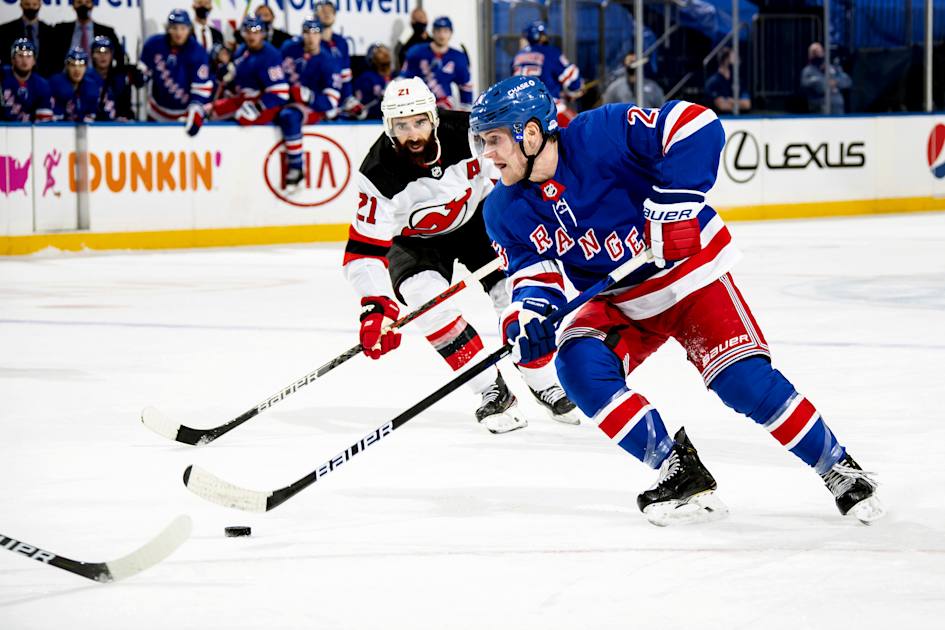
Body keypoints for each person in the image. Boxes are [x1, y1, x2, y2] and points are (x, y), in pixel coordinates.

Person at [469, 75, 884, 525]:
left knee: (742, 382)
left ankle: (838, 467)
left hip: (688, 279)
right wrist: (530, 319)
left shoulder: (601, 132)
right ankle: (679, 471)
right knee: (577, 365)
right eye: (482, 141)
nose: (487, 153)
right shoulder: (502, 209)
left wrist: (675, 204)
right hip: (620, 300)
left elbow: (696, 124)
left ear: (530, 133)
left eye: (494, 139)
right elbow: (533, 276)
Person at [342, 77, 580, 434]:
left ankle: (541, 378)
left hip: (479, 220)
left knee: (513, 291)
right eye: (402, 125)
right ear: (387, 126)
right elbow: (363, 249)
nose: (413, 134)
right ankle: (490, 390)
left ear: (434, 118)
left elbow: (511, 177)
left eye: (420, 122)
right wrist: (374, 307)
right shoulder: (377, 172)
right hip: (414, 242)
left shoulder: (469, 132)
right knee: (426, 303)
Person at [278, 17, 343, 187]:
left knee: (289, 116)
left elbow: (331, 102)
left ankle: (296, 167)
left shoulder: (329, 62)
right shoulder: (289, 49)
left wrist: (309, 97)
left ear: (321, 35)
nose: (310, 37)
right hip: (285, 98)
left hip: (311, 107)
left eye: (315, 33)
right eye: (307, 32)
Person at [137, 10, 212, 127]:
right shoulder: (153, 44)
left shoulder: (197, 52)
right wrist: (139, 76)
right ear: (168, 28)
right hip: (156, 112)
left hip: (183, 116)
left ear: (189, 29)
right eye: (174, 28)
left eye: (183, 28)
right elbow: (144, 70)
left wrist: (196, 110)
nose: (179, 33)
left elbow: (201, 87)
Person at [512, 21, 583, 126]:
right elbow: (573, 81)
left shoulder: (517, 57)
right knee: (580, 126)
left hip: (521, 111)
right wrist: (575, 90)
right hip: (548, 108)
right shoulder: (551, 52)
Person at [400, 16, 472, 111]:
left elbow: (465, 87)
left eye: (445, 31)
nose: (442, 35)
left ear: (451, 33)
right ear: (433, 32)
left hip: (445, 108)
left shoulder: (458, 57)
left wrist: (465, 109)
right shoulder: (416, 52)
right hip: (418, 107)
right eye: (438, 31)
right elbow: (404, 80)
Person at [313, 1, 362, 119]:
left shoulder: (341, 42)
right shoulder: (312, 42)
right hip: (318, 100)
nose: (327, 14)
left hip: (338, 103)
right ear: (315, 15)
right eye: (323, 11)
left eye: (330, 11)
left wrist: (348, 99)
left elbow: (345, 75)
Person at [52, 0, 123, 67]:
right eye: (79, 2)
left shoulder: (107, 32)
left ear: (92, 5)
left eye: (87, 2)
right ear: (73, 5)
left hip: (98, 78)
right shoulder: (61, 30)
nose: (83, 6)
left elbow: (120, 58)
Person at [0, 0, 58, 77]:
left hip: (44, 79)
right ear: (21, 5)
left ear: (40, 5)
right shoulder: (6, 30)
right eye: (27, 4)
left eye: (34, 4)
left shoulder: (51, 32)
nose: (31, 7)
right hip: (13, 79)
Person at [0, 38, 52, 122]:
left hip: (29, 133)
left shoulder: (42, 85)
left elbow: (43, 124)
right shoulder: (2, 76)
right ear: (12, 59)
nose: (24, 60)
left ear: (34, 61)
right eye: (20, 55)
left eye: (28, 56)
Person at [49, 47, 100, 122]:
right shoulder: (55, 84)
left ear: (86, 67)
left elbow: (93, 119)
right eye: (73, 65)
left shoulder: (92, 87)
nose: (77, 69)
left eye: (81, 65)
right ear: (66, 66)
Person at [800, 42, 852, 114]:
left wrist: (835, 82)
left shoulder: (833, 68)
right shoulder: (807, 71)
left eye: (819, 51)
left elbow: (847, 81)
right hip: (819, 110)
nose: (817, 54)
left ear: (823, 53)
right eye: (814, 52)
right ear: (809, 55)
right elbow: (819, 87)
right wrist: (829, 83)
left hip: (838, 109)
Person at [90, 36, 132, 121]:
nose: (103, 56)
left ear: (112, 54)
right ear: (92, 55)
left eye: (106, 52)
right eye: (98, 52)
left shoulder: (120, 79)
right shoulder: (86, 78)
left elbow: (125, 108)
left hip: (115, 128)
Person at [351, 43, 392, 120]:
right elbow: (361, 104)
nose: (384, 58)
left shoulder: (395, 77)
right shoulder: (366, 78)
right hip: (371, 120)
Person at [704, 47, 750, 114]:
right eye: (734, 58)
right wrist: (738, 103)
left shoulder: (738, 81)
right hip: (720, 119)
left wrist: (731, 101)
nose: (738, 61)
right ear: (726, 60)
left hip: (738, 120)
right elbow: (722, 106)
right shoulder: (713, 81)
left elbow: (747, 105)